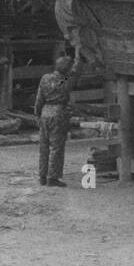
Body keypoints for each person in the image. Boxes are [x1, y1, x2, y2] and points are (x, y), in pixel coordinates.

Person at [34, 52, 79, 187]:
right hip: (58, 114)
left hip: (44, 113)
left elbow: (39, 98)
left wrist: (37, 114)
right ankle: (53, 178)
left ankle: (42, 176)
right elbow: (74, 73)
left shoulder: (45, 78)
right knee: (56, 147)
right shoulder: (65, 80)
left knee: (44, 147)